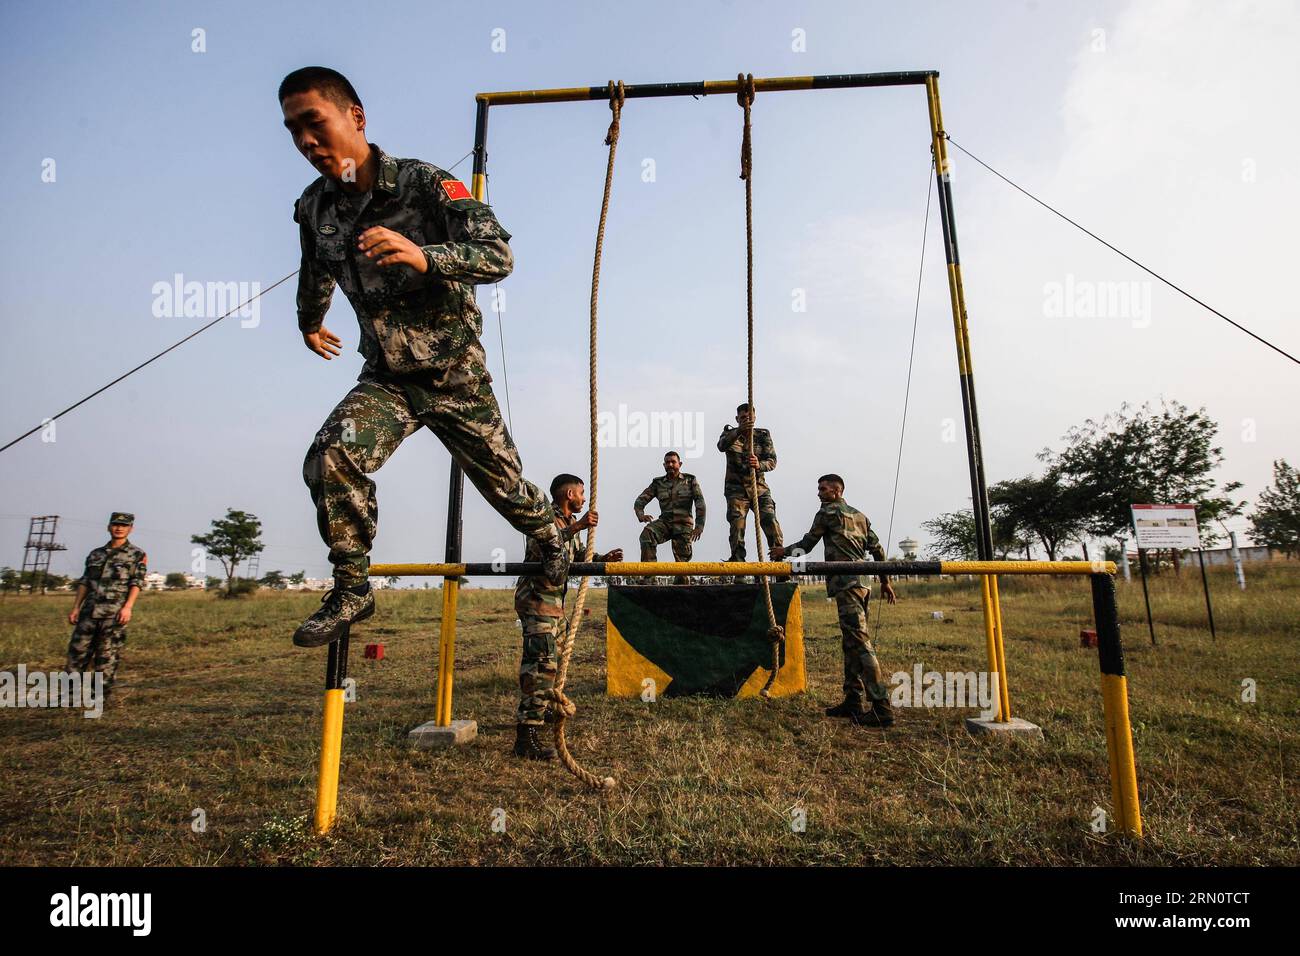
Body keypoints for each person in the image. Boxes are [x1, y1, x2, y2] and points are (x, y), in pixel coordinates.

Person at [279, 66, 569, 648]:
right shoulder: (314, 209)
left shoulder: (425, 184)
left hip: (455, 377)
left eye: (315, 123)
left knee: (510, 494)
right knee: (332, 454)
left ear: (355, 117)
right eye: (293, 131)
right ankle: (353, 586)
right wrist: (310, 323)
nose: (307, 142)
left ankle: (552, 533)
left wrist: (425, 255)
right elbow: (315, 275)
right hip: (388, 379)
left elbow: (498, 254)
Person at [772, 475, 898, 728]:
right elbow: (878, 550)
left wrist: (782, 553)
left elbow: (807, 545)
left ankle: (881, 706)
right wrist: (885, 581)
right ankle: (852, 699)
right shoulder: (861, 516)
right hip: (864, 584)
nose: (819, 493)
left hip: (847, 584)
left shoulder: (827, 512)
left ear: (837, 491)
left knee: (860, 643)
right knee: (850, 642)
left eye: (823, 489)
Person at [513, 474, 622, 760]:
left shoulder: (565, 523)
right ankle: (526, 736)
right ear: (570, 493)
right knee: (540, 667)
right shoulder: (544, 518)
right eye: (582, 493)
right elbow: (546, 548)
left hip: (553, 607)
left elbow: (574, 557)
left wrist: (602, 559)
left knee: (554, 662)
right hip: (537, 603)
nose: (584, 499)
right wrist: (579, 526)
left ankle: (544, 709)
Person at [65, 512, 147, 699]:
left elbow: (137, 583)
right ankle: (70, 695)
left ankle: (99, 697)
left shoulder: (137, 555)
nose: (119, 528)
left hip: (114, 613)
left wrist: (128, 607)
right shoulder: (96, 554)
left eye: (124, 525)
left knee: (106, 656)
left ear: (130, 529)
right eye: (116, 524)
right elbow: (85, 582)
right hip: (88, 612)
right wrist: (76, 607)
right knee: (76, 654)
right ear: (109, 527)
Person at [717, 403, 783, 564]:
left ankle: (779, 564)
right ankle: (738, 564)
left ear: (755, 417)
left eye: (749, 417)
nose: (746, 420)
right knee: (737, 527)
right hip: (736, 491)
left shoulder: (762, 435)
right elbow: (721, 446)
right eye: (742, 418)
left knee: (771, 522)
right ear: (737, 419)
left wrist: (759, 465)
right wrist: (739, 431)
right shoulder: (729, 434)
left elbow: (772, 461)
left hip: (759, 489)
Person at [633, 451, 706, 583]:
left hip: (683, 526)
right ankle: (649, 577)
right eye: (667, 462)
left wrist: (699, 526)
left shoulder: (690, 480)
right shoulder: (658, 483)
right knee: (647, 534)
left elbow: (700, 503)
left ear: (680, 464)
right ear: (664, 465)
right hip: (665, 523)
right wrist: (641, 515)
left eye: (673, 462)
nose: (670, 464)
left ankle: (681, 585)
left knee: (681, 570)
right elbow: (640, 501)